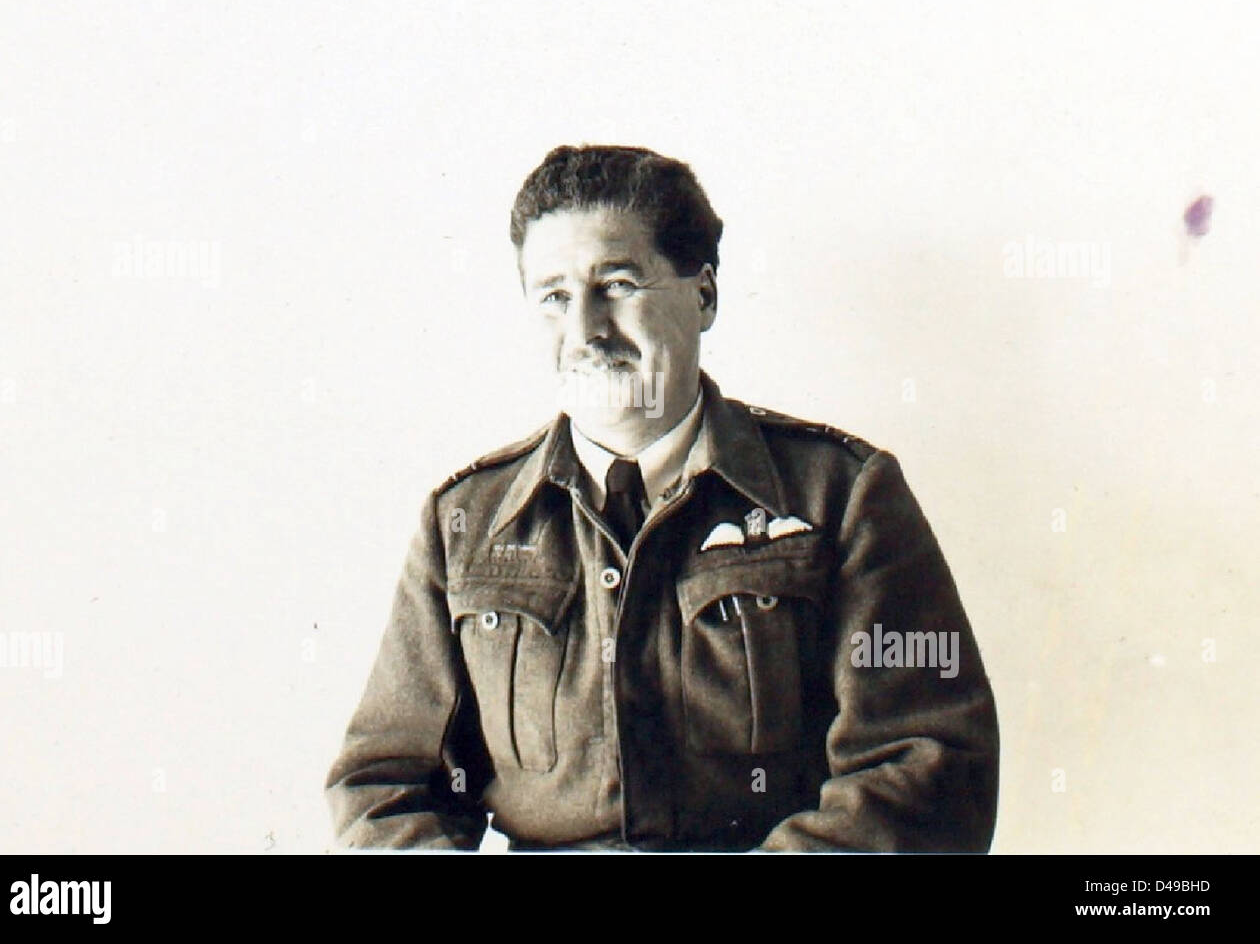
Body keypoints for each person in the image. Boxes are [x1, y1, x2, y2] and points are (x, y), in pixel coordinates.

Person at [324, 144, 999, 851]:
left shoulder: (841, 496)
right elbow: (384, 787)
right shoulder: (466, 523)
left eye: (616, 285)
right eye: (554, 297)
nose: (586, 332)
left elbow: (928, 763)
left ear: (703, 295)